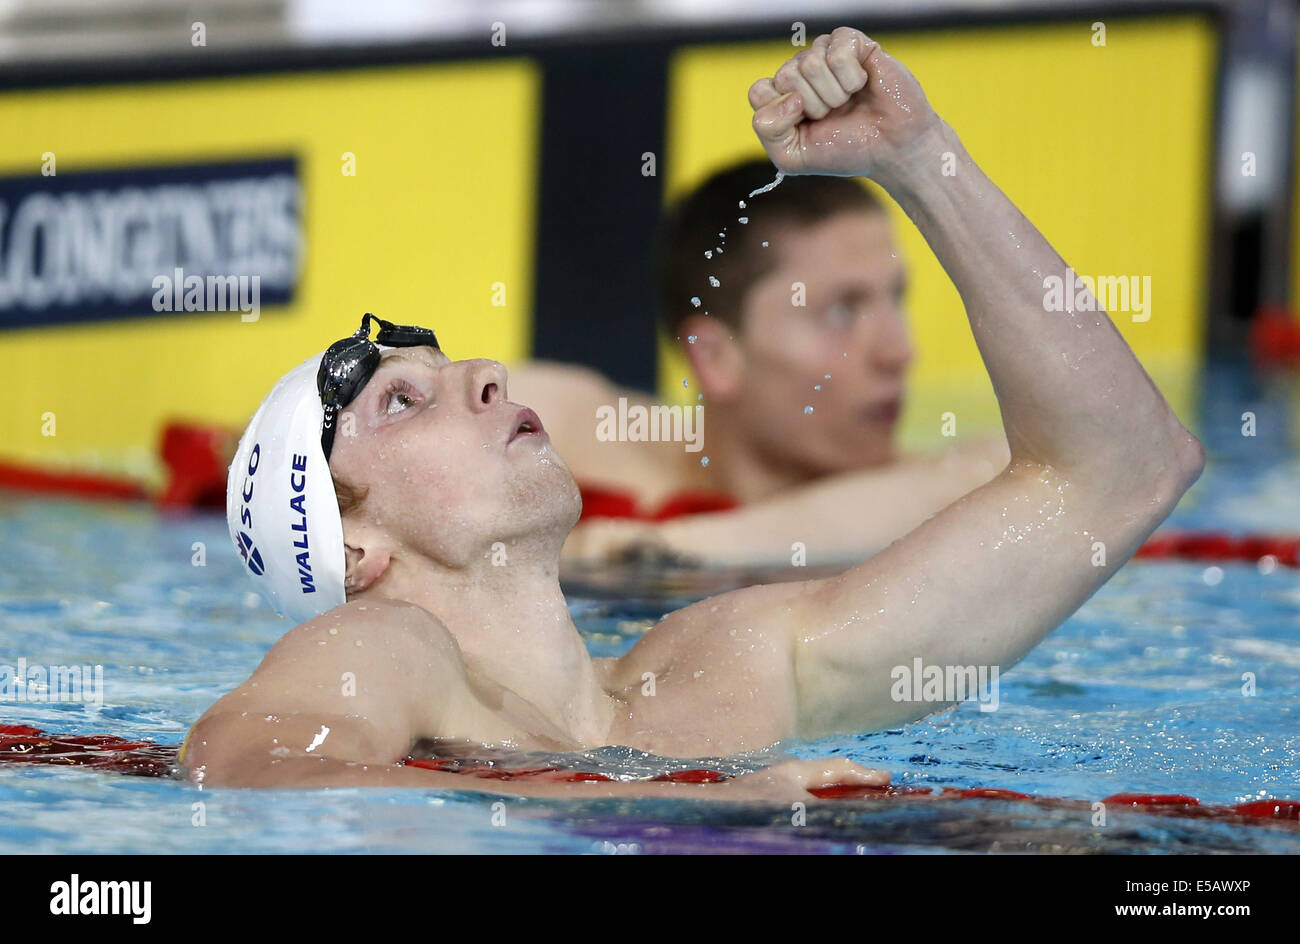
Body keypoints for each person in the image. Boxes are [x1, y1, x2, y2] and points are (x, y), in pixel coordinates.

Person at [181, 28, 1203, 800]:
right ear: (351, 549)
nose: (485, 374)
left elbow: (1123, 471)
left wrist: (918, 158)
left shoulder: (722, 663)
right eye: (404, 401)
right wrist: (672, 801)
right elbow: (238, 765)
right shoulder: (380, 647)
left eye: (455, 364)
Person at [516, 163, 1008, 568]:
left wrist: (644, 552)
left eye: (895, 298)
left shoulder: (946, 489)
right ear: (716, 357)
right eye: (841, 311)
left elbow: (1020, 464)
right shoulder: (582, 437)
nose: (899, 351)